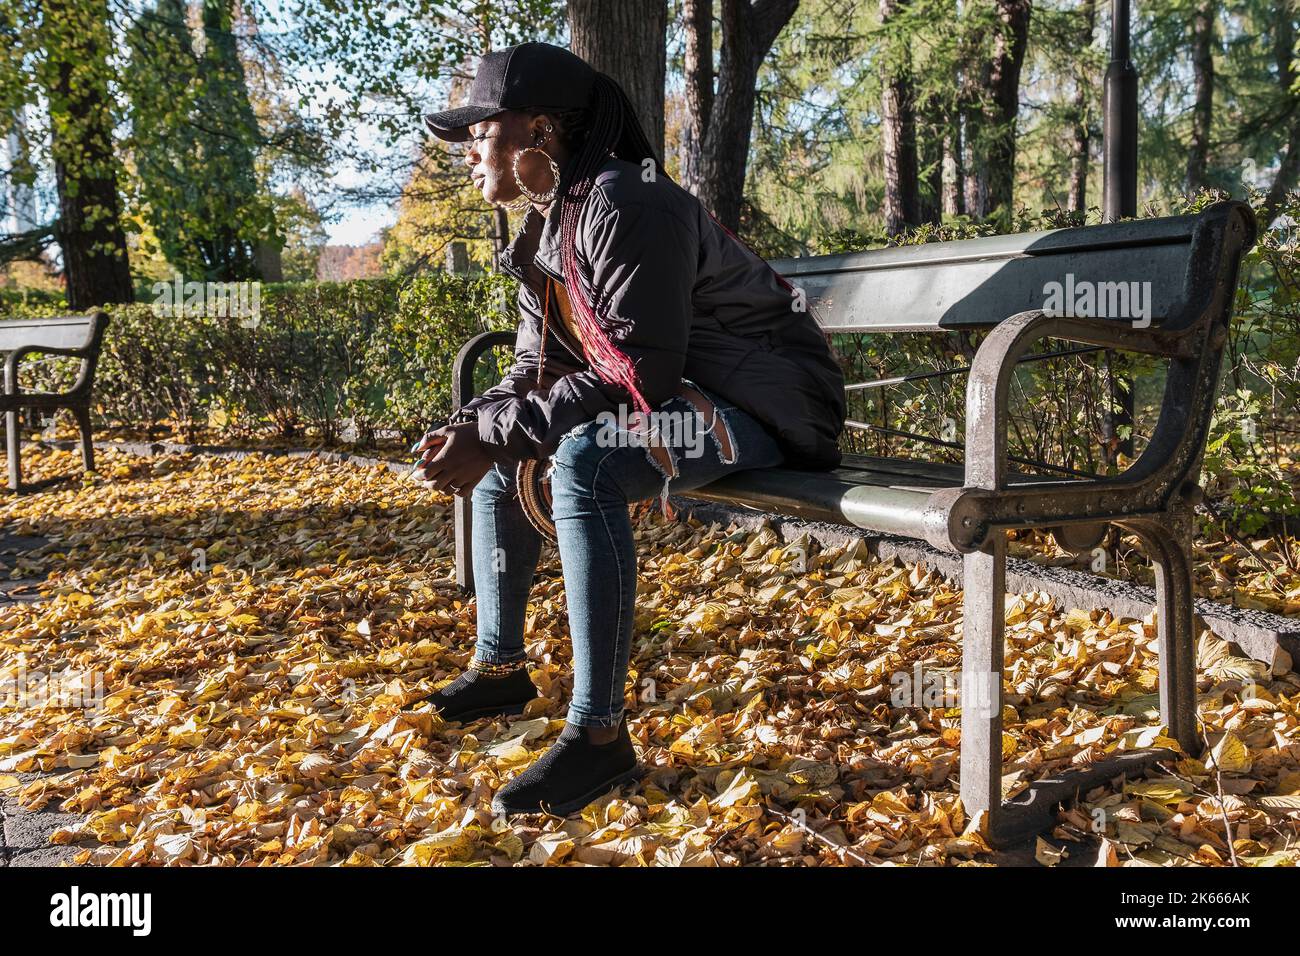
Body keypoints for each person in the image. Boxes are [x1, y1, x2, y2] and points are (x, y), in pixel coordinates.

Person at [415, 41, 846, 817]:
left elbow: (636, 370)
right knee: (508, 445)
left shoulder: (623, 203)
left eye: (482, 131)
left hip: (770, 408)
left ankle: (600, 736)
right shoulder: (546, 232)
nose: (470, 151)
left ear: (540, 133)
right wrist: (470, 427)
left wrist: (504, 431)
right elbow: (532, 374)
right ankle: (501, 665)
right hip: (691, 399)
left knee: (584, 460)